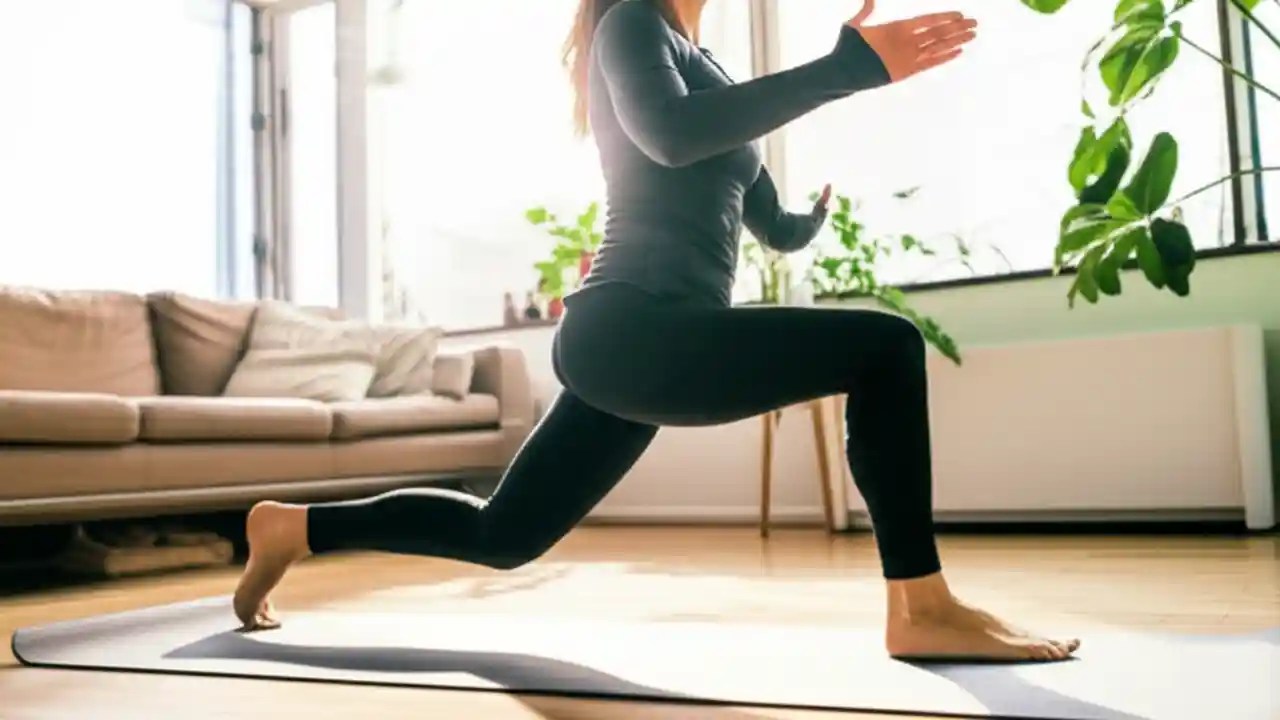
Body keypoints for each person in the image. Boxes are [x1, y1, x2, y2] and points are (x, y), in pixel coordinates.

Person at [234, 0, 1081, 662]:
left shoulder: (705, 65)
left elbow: (766, 225)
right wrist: (843, 70)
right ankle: (922, 606)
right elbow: (670, 140)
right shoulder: (628, 24)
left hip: (655, 337)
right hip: (630, 331)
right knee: (885, 348)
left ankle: (293, 527)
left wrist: (807, 222)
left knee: (504, 535)